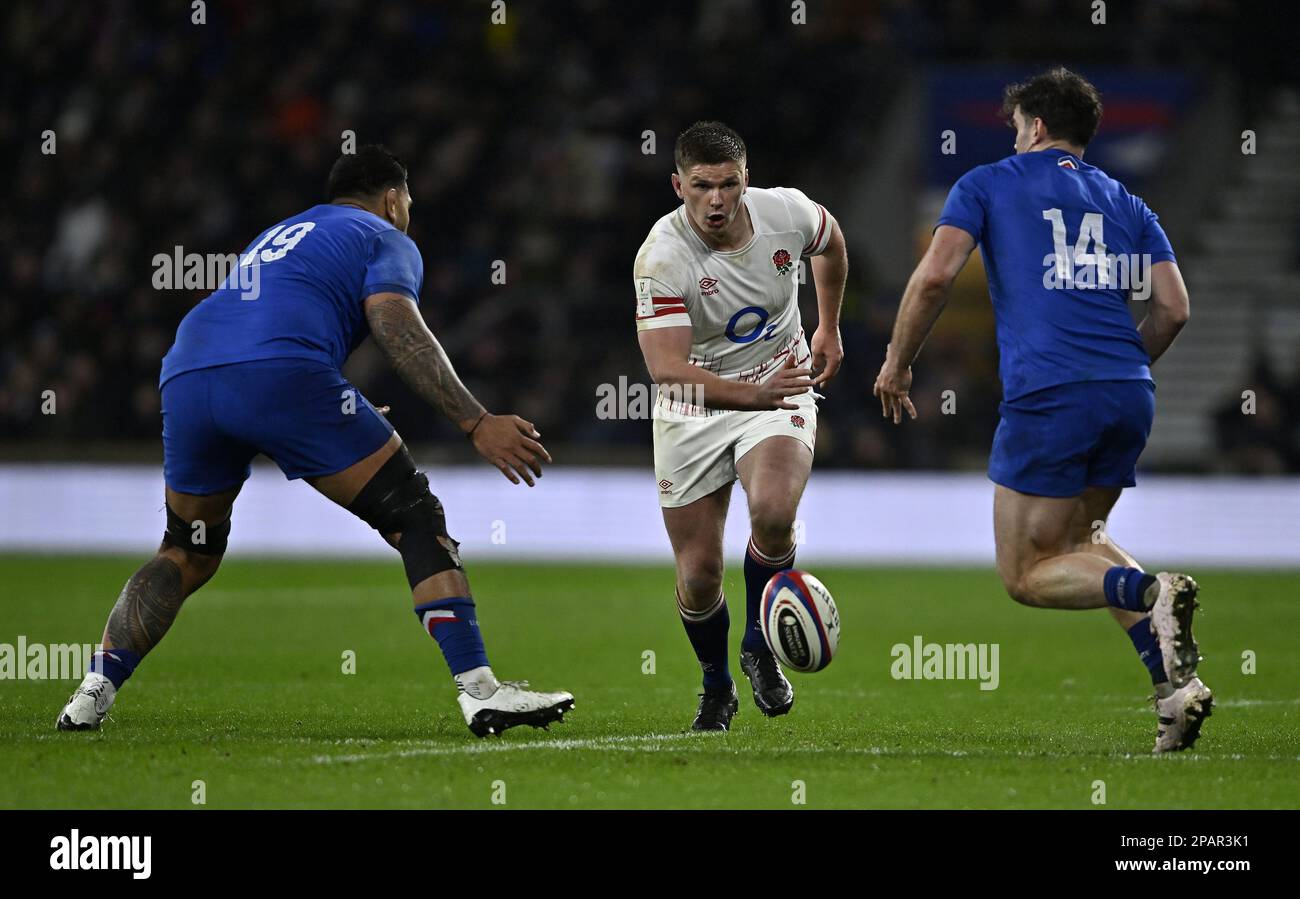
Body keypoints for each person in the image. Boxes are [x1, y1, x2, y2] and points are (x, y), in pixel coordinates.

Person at [58, 145, 573, 738]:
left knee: (186, 550)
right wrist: (475, 420)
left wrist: (329, 402)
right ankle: (481, 692)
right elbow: (395, 323)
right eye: (407, 199)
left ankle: (93, 690)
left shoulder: (280, 233)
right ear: (391, 198)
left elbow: (273, 323)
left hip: (190, 370)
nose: (408, 211)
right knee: (414, 514)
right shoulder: (384, 236)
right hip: (282, 376)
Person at [873, 68, 1209, 753]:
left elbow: (935, 275)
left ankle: (1152, 589)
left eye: (1015, 123)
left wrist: (898, 361)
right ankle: (1174, 691)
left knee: (1026, 573)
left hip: (1052, 391)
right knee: (1083, 541)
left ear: (1034, 124)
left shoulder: (989, 182)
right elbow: (1174, 308)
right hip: (1128, 389)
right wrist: (1122, 367)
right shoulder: (1126, 202)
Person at [634, 122, 848, 730]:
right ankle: (716, 685)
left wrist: (828, 326)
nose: (717, 200)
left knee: (775, 513)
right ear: (678, 185)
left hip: (778, 381)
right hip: (693, 406)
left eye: (729, 184)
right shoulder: (661, 257)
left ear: (746, 180)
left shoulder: (786, 213)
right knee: (699, 576)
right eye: (702, 186)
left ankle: (757, 642)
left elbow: (832, 246)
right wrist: (751, 396)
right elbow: (667, 370)